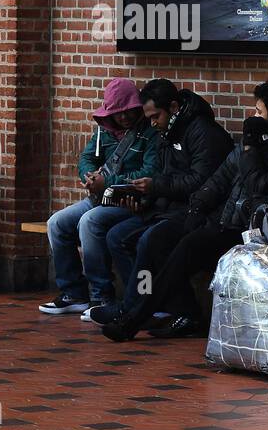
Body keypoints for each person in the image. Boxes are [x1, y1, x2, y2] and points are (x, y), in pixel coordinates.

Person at [103, 77, 268, 341]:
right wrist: (197, 208)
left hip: (247, 231)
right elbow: (219, 179)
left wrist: (251, 147)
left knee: (185, 249)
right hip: (219, 217)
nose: (254, 116)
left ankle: (133, 319)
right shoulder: (259, 140)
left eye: (258, 111)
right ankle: (181, 313)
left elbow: (260, 188)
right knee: (159, 239)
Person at [88, 78, 233, 324]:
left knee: (149, 241)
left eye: (156, 116)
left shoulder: (204, 133)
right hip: (167, 207)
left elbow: (200, 182)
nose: (152, 123)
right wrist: (143, 198)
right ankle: (149, 304)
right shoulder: (167, 130)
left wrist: (155, 187)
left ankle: (136, 308)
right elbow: (164, 174)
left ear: (174, 108)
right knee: (117, 237)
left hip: (196, 211)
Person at [38, 78, 158, 315]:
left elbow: (149, 172)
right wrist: (89, 177)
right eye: (117, 113)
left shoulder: (149, 133)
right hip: (98, 196)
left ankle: (101, 295)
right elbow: (86, 158)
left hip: (126, 199)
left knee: (90, 222)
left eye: (127, 111)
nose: (122, 117)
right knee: (57, 223)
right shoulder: (103, 131)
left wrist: (110, 182)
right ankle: (73, 292)